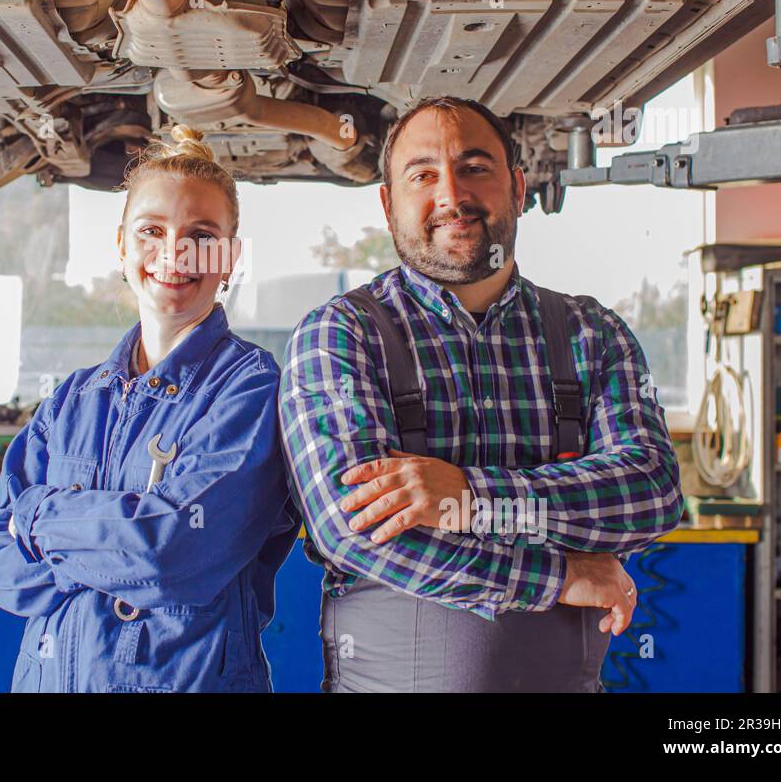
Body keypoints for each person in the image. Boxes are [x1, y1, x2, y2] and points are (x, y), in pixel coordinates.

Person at [279, 96, 684, 692]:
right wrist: (558, 575)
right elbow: (354, 528)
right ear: (389, 204)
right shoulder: (341, 334)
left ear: (518, 188)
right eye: (423, 175)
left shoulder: (591, 333)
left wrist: (469, 497)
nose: (452, 195)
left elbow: (651, 491)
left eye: (475, 168)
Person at [0, 127, 299, 692]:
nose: (174, 254)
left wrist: (38, 518)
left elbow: (172, 552)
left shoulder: (252, 389)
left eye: (202, 235)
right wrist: (113, 550)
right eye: (151, 231)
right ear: (121, 245)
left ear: (231, 257)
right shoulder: (72, 400)